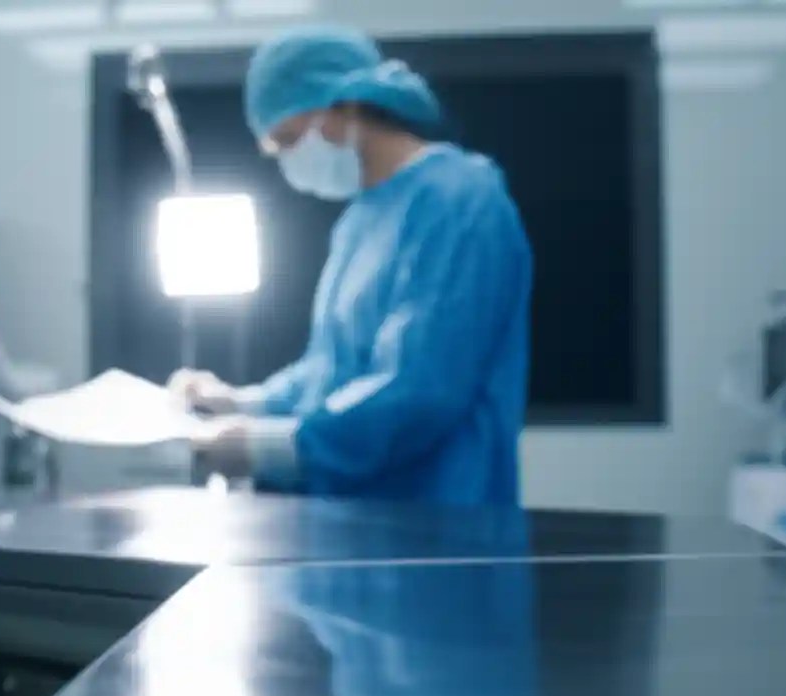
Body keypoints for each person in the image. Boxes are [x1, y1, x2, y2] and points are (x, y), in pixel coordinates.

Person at [171, 25, 532, 507]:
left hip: (441, 521)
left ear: (342, 108)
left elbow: (420, 392)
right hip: (356, 518)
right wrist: (239, 401)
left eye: (289, 138)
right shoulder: (359, 221)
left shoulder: (462, 202)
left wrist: (265, 446)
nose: (286, 160)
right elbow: (331, 370)